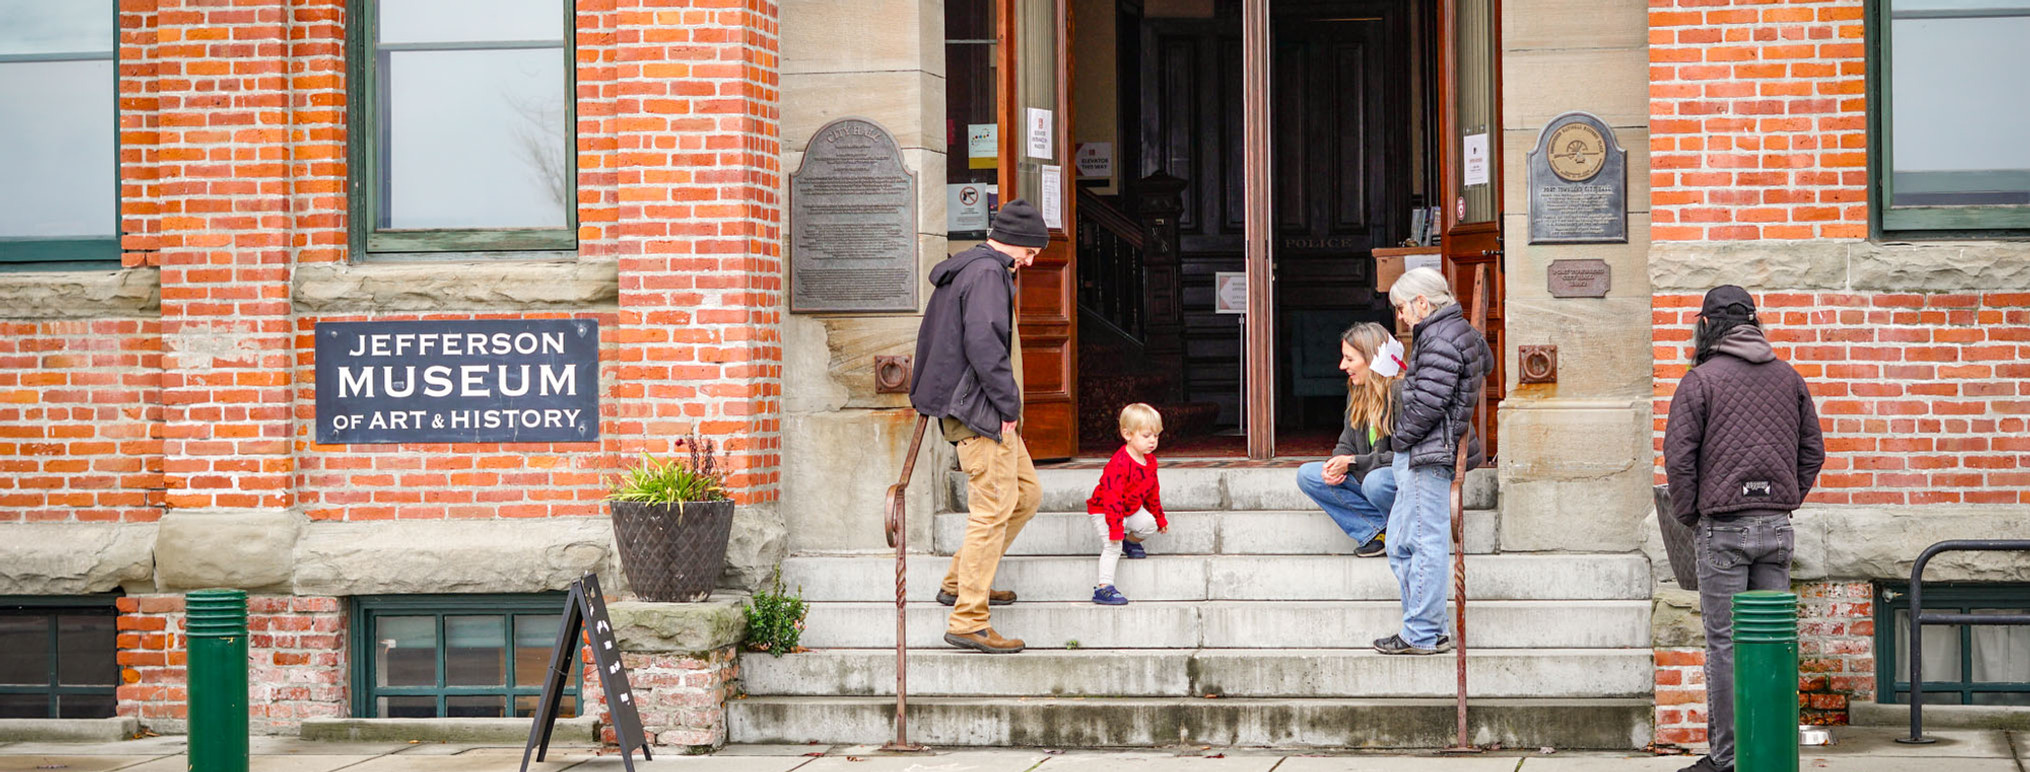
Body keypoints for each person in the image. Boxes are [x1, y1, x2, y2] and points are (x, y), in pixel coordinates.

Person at [1663, 285, 1825, 772]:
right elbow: (1813, 452)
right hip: (1776, 530)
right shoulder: (1788, 378)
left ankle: (1728, 758)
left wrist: (1693, 514)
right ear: (1755, 324)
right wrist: (1784, 499)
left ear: (1706, 326)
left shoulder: (1700, 381)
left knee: (1725, 643)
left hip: (1723, 531)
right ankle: (1768, 753)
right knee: (1771, 641)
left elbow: (1679, 459)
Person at [909, 199, 1051, 655]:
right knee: (992, 509)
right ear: (1021, 242)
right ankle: (969, 617)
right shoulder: (989, 273)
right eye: (1033, 251)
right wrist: (1009, 406)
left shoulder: (971, 269)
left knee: (1025, 495)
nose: (1033, 260)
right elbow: (985, 347)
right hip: (983, 414)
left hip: (976, 410)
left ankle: (959, 581)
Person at [1374, 267, 1491, 657]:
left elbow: (1427, 404)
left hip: (1427, 454)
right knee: (1403, 542)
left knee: (1420, 543)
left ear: (1423, 302)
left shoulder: (1441, 336)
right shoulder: (1455, 331)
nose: (1402, 317)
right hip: (1432, 451)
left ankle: (1422, 632)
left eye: (1403, 308)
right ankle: (1427, 628)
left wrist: (1399, 439)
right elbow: (1484, 363)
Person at [1296, 322, 1406, 558]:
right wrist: (1335, 464)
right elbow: (1345, 443)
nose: (1342, 366)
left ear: (1372, 358)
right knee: (1308, 475)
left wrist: (1353, 461)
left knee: (1375, 482)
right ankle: (1377, 530)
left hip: (1392, 479)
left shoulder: (1400, 392)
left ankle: (1401, 530)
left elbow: (1403, 457)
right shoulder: (1357, 392)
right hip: (1366, 475)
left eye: (1349, 359)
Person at [1085, 403, 1170, 606]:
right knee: (1112, 546)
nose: (1152, 441)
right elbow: (1112, 498)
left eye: (1156, 436)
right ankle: (1104, 588)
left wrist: (1159, 517)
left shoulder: (1150, 462)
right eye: (1147, 435)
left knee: (1148, 525)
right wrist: (1115, 528)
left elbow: (1152, 492)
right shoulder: (1119, 463)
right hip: (1105, 510)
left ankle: (1129, 542)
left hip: (1129, 509)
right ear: (1127, 434)